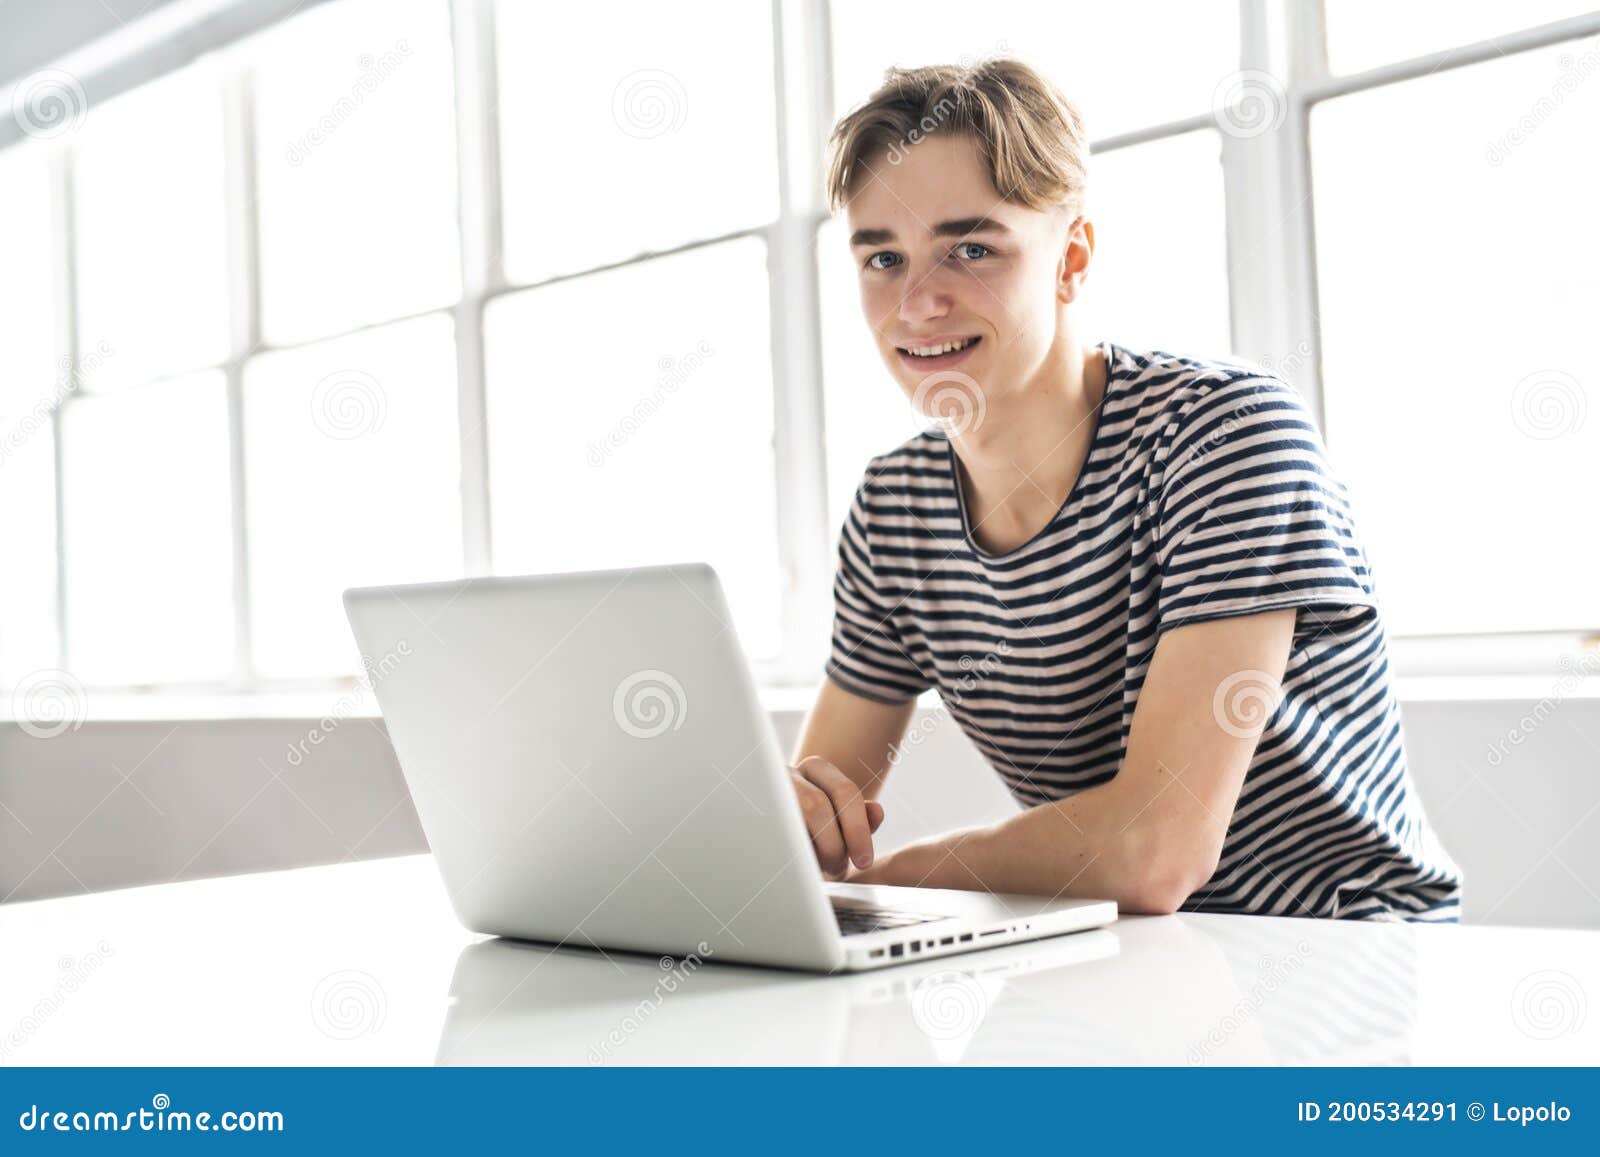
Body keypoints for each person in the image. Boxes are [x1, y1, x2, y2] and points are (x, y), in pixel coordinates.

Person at [788, 59, 1461, 920]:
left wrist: (882, 883)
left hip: (1342, 951)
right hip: (1124, 955)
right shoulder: (894, 511)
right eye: (884, 257)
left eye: (970, 248)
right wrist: (790, 825)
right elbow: (818, 821)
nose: (918, 303)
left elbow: (1155, 850)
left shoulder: (1225, 437)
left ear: (1071, 259)